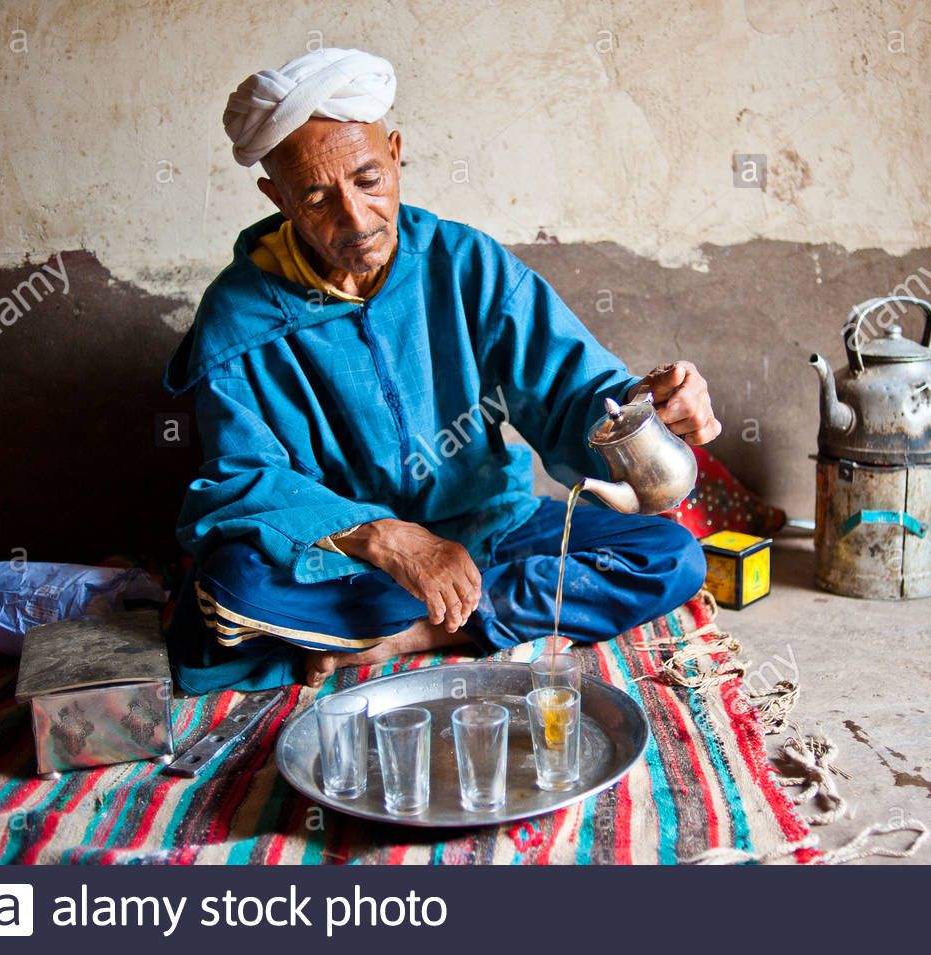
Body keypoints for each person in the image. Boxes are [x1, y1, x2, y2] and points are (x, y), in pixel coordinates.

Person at [163, 48, 721, 693]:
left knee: (669, 555)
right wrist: (386, 538)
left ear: (396, 152)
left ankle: (413, 633)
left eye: (369, 179)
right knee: (230, 590)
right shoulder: (239, 313)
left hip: (485, 527)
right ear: (277, 198)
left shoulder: (463, 262)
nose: (355, 218)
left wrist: (644, 409)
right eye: (316, 197)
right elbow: (245, 477)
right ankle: (428, 612)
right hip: (350, 559)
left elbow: (573, 390)